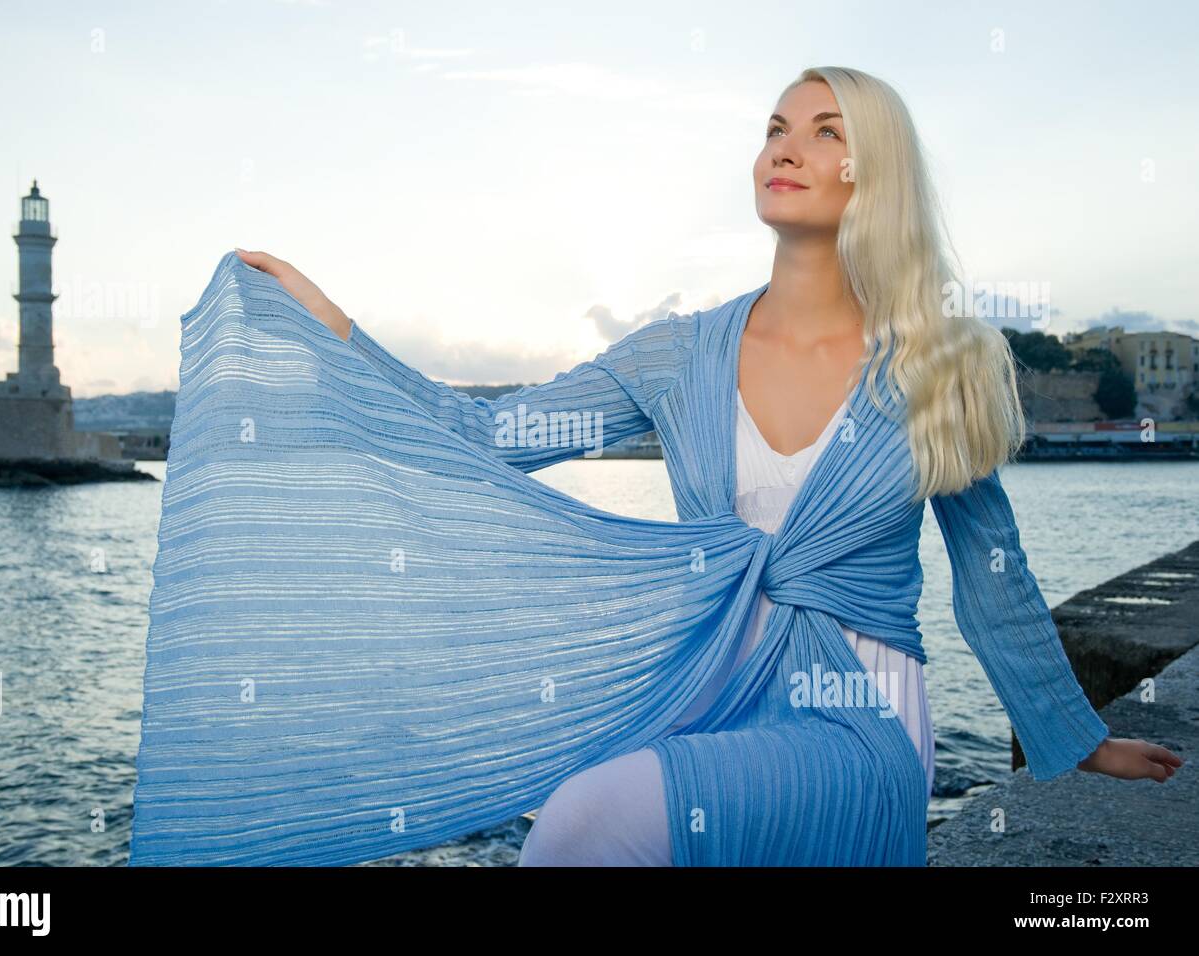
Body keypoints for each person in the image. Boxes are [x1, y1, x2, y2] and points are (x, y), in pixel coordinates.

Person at [232, 66, 1183, 866]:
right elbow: (490, 440)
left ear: (874, 172)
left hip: (858, 715)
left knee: (581, 827)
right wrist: (342, 338)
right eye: (774, 128)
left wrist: (1075, 738)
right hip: (713, 685)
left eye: (822, 131)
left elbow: (993, 575)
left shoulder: (941, 362)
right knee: (559, 802)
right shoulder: (677, 354)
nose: (785, 147)